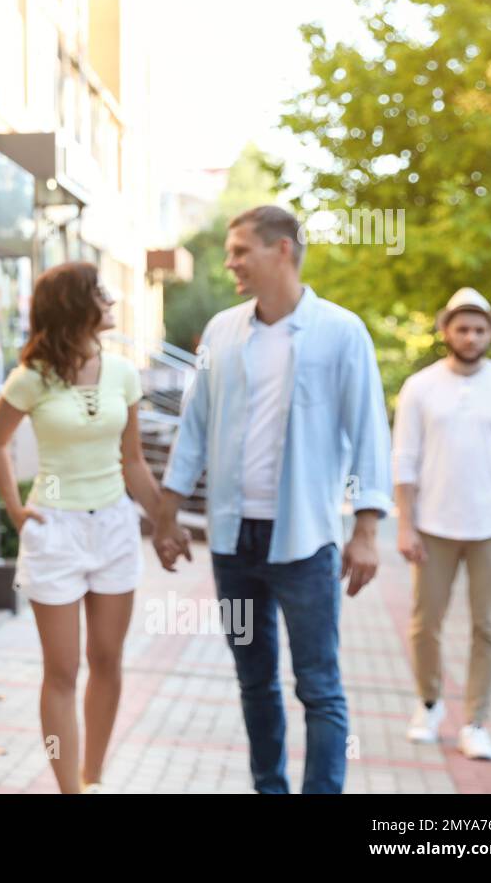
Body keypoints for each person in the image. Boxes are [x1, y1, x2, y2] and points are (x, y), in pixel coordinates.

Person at [152, 205, 392, 794]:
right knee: (253, 681)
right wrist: (166, 514)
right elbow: (195, 428)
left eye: (240, 251)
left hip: (306, 541)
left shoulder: (341, 331)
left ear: (282, 249)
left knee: (319, 686)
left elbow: (369, 435)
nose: (230, 262)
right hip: (234, 541)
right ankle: (270, 788)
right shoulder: (220, 331)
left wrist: (366, 530)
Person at [0, 262, 164, 793]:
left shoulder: (125, 373)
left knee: (106, 660)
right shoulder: (32, 377)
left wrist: (166, 522)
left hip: (113, 525)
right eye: (100, 293)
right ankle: (69, 790)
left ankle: (94, 778)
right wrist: (16, 509)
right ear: (74, 305)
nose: (110, 300)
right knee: (61, 672)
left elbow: (134, 462)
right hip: (54, 529)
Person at [393, 287, 491, 760]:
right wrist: (406, 525)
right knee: (424, 623)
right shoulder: (420, 387)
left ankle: (476, 721)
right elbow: (405, 461)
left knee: (487, 627)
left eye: (479, 329)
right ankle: (429, 704)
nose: (471, 336)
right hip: (433, 526)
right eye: (462, 327)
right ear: (446, 330)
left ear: (490, 332)